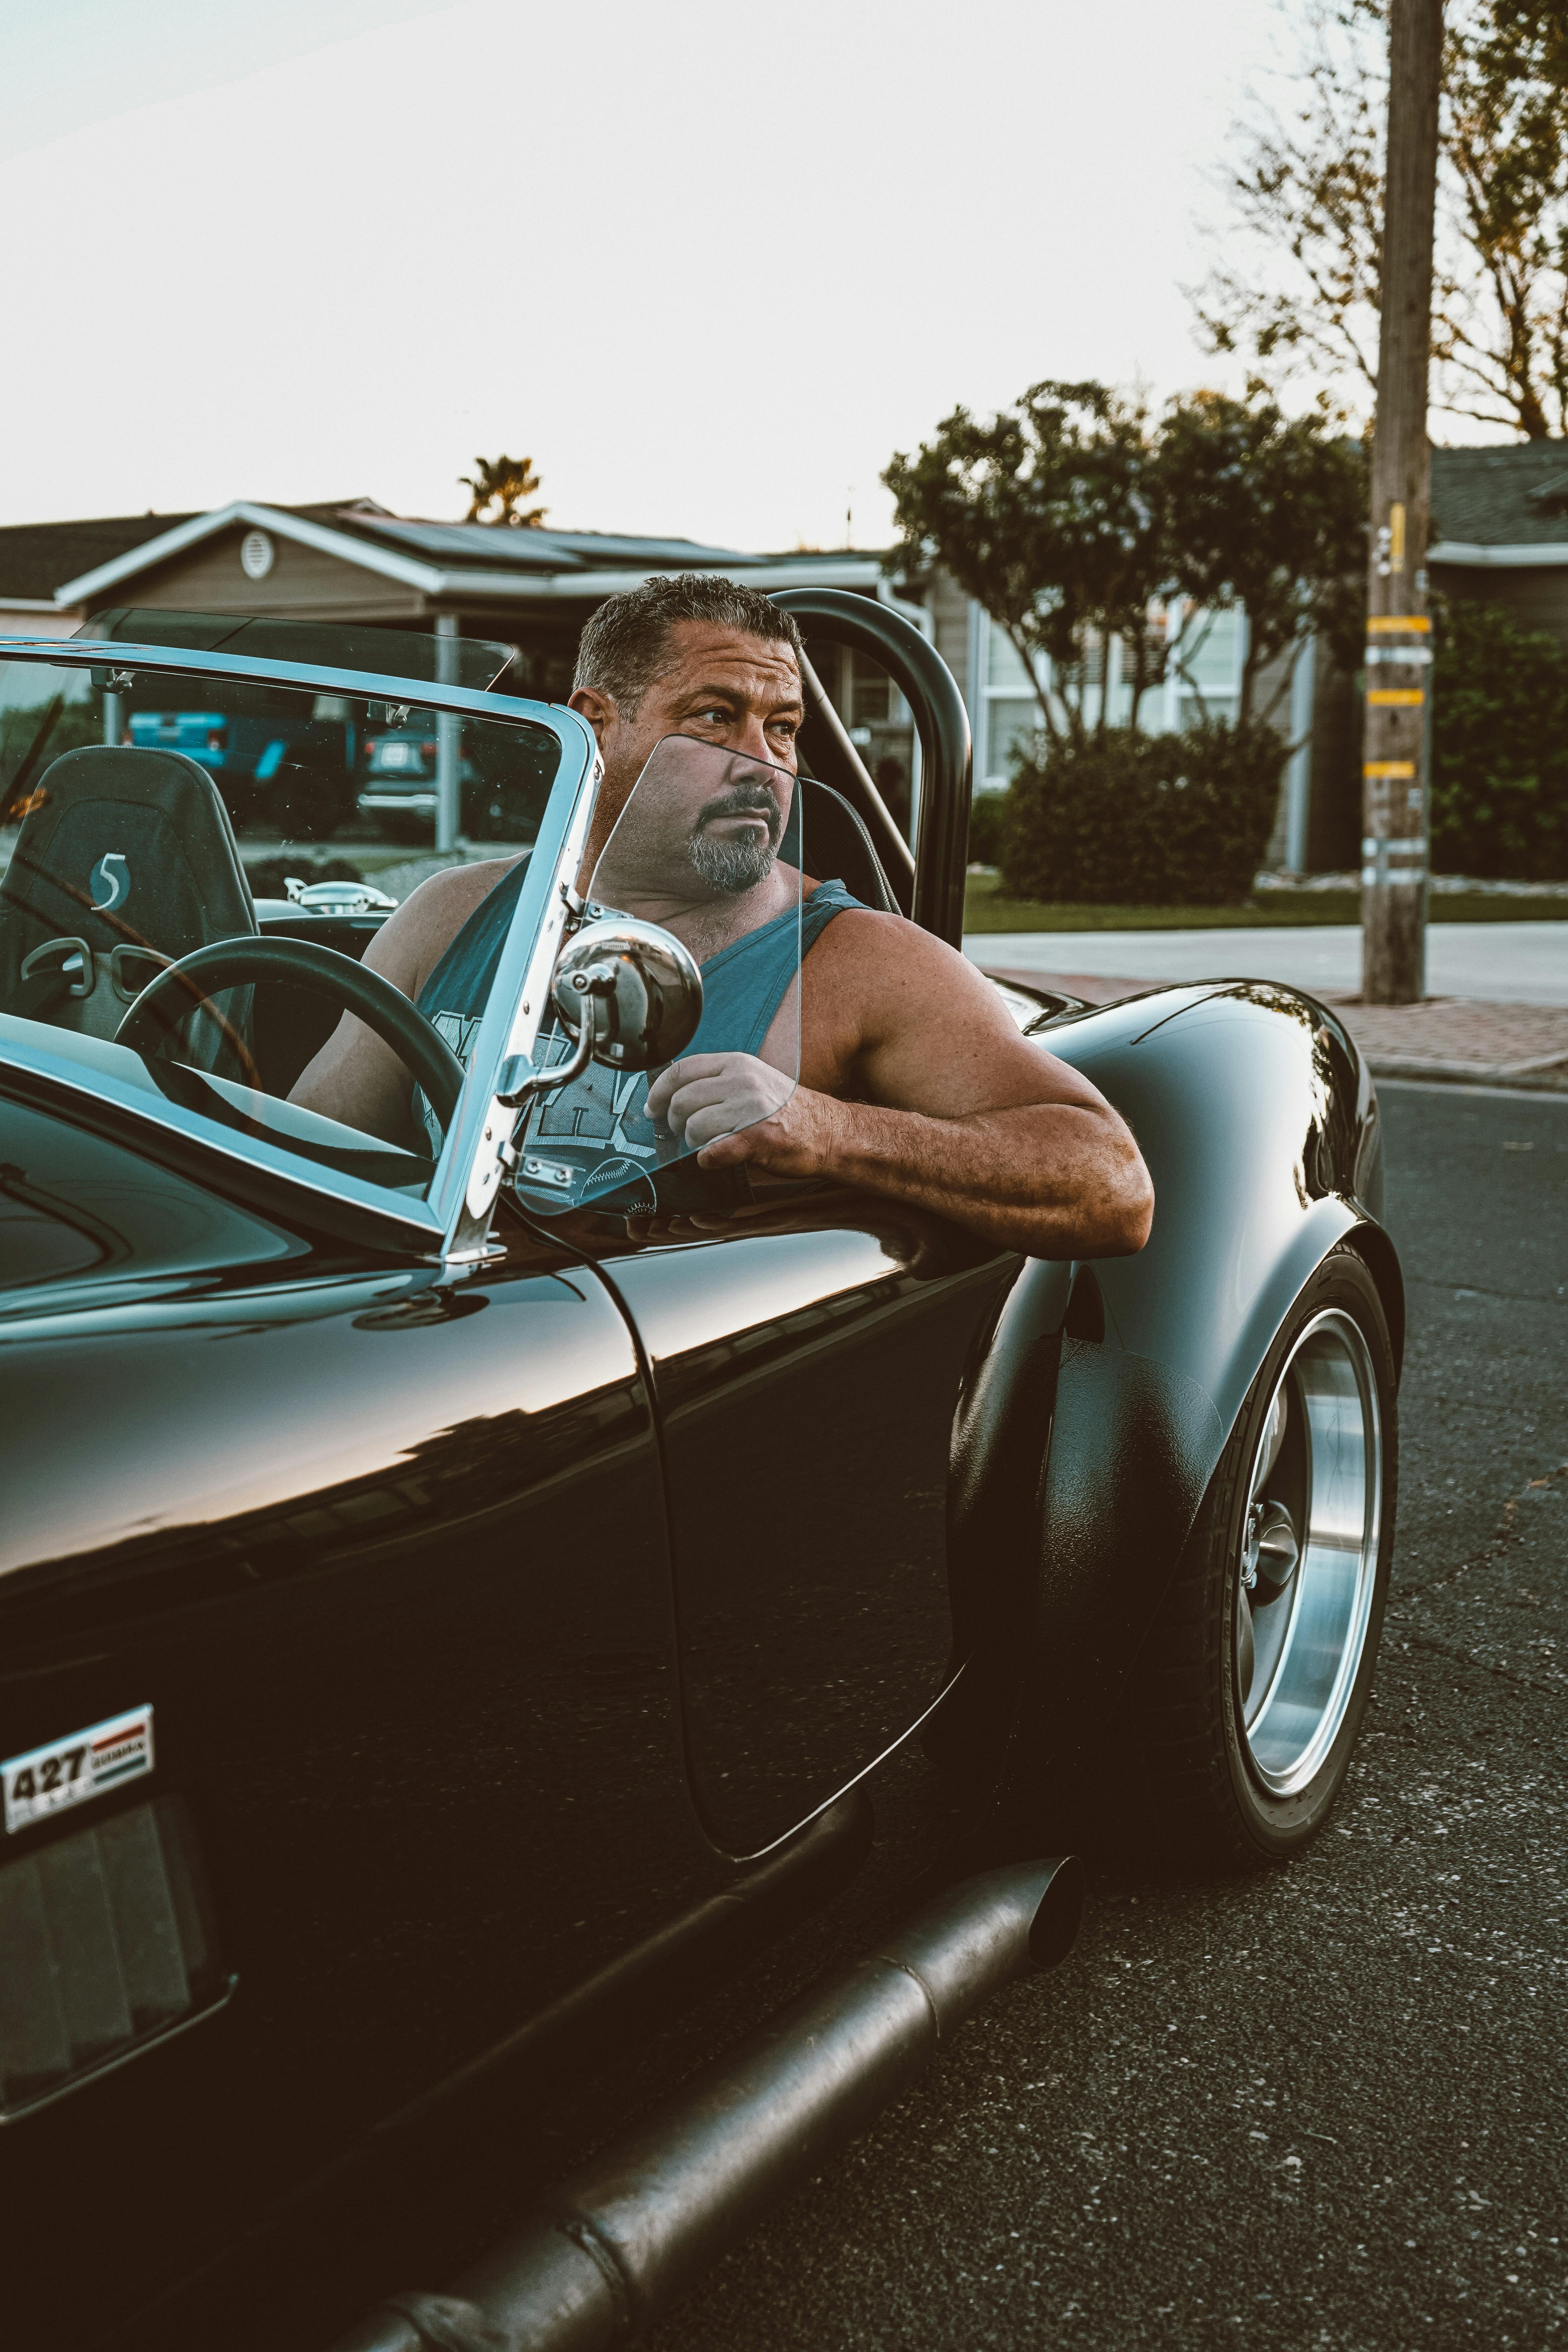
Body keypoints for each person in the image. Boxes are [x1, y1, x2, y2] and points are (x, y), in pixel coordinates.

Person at [290, 574, 1154, 1260]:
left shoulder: (860, 963)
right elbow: (306, 1161)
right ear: (595, 727)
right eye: (715, 718)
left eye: (782, 729)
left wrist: (828, 1129)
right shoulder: (453, 914)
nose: (762, 765)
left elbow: (1109, 1184)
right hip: (432, 1358)